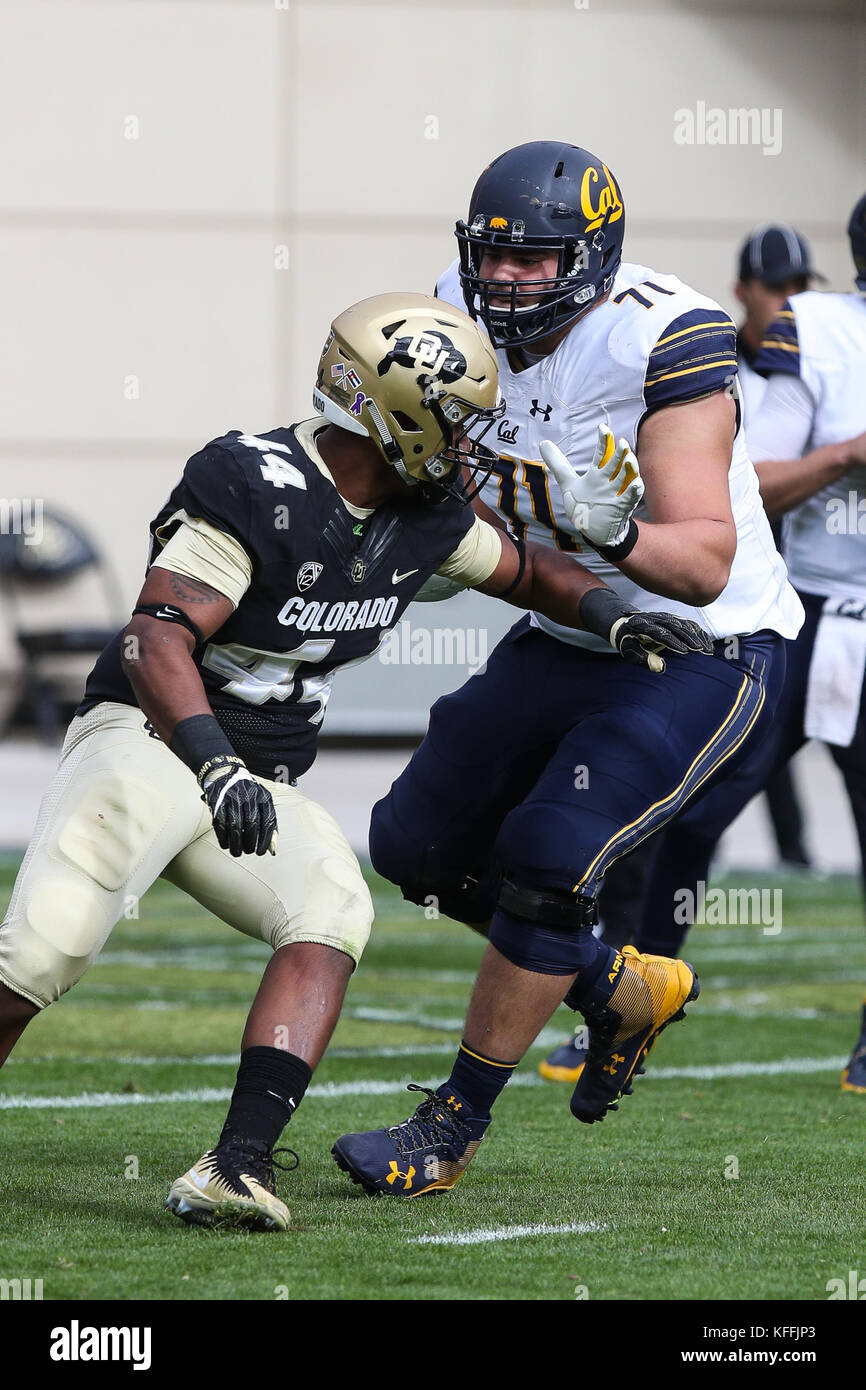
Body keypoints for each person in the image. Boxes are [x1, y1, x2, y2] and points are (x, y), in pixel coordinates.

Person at [0, 291, 708, 1231]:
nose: (470, 448)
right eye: (455, 422)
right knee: (43, 950)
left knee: (331, 907)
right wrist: (212, 762)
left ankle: (237, 1165)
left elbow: (525, 569)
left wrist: (612, 614)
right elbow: (154, 640)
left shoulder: (423, 512)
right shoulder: (256, 481)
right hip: (155, 737)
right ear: (396, 413)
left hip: (256, 778)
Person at [330, 142, 802, 1198]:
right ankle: (615, 983)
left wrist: (611, 528)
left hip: (699, 644)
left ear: (588, 257)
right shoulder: (454, 307)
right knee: (413, 841)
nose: (503, 282)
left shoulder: (660, 337)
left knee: (550, 852)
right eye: (492, 259)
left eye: (533, 262)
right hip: (567, 622)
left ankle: (448, 1127)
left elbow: (702, 559)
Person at [627, 193, 866, 1092]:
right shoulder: (815, 328)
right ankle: (635, 1003)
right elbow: (749, 485)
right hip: (804, 615)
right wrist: (847, 454)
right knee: (697, 810)